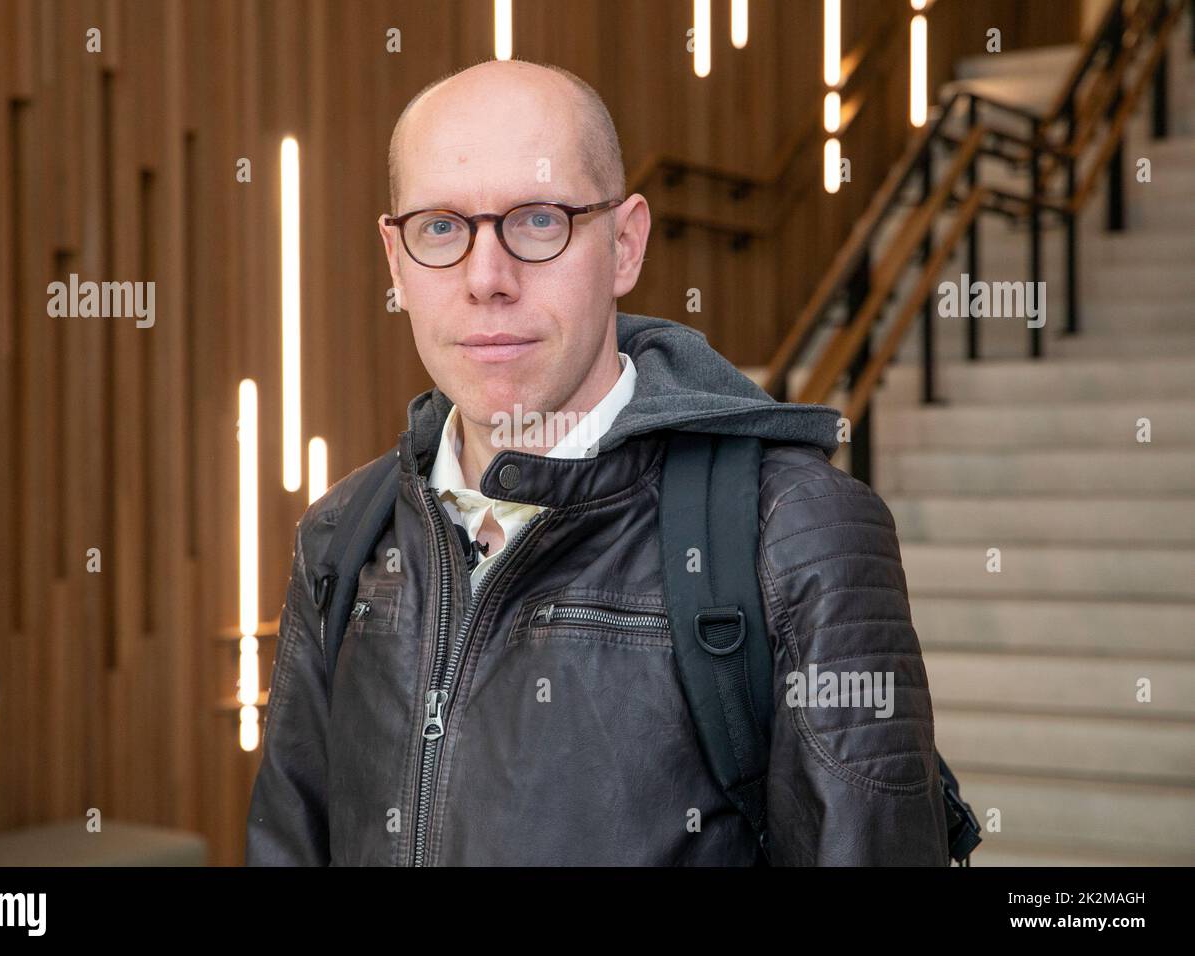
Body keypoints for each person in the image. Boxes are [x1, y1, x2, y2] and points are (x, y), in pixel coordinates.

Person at [246, 58, 949, 866]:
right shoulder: (340, 535)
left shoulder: (793, 532)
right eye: (441, 226)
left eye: (539, 220)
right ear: (396, 261)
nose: (487, 279)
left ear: (624, 244)